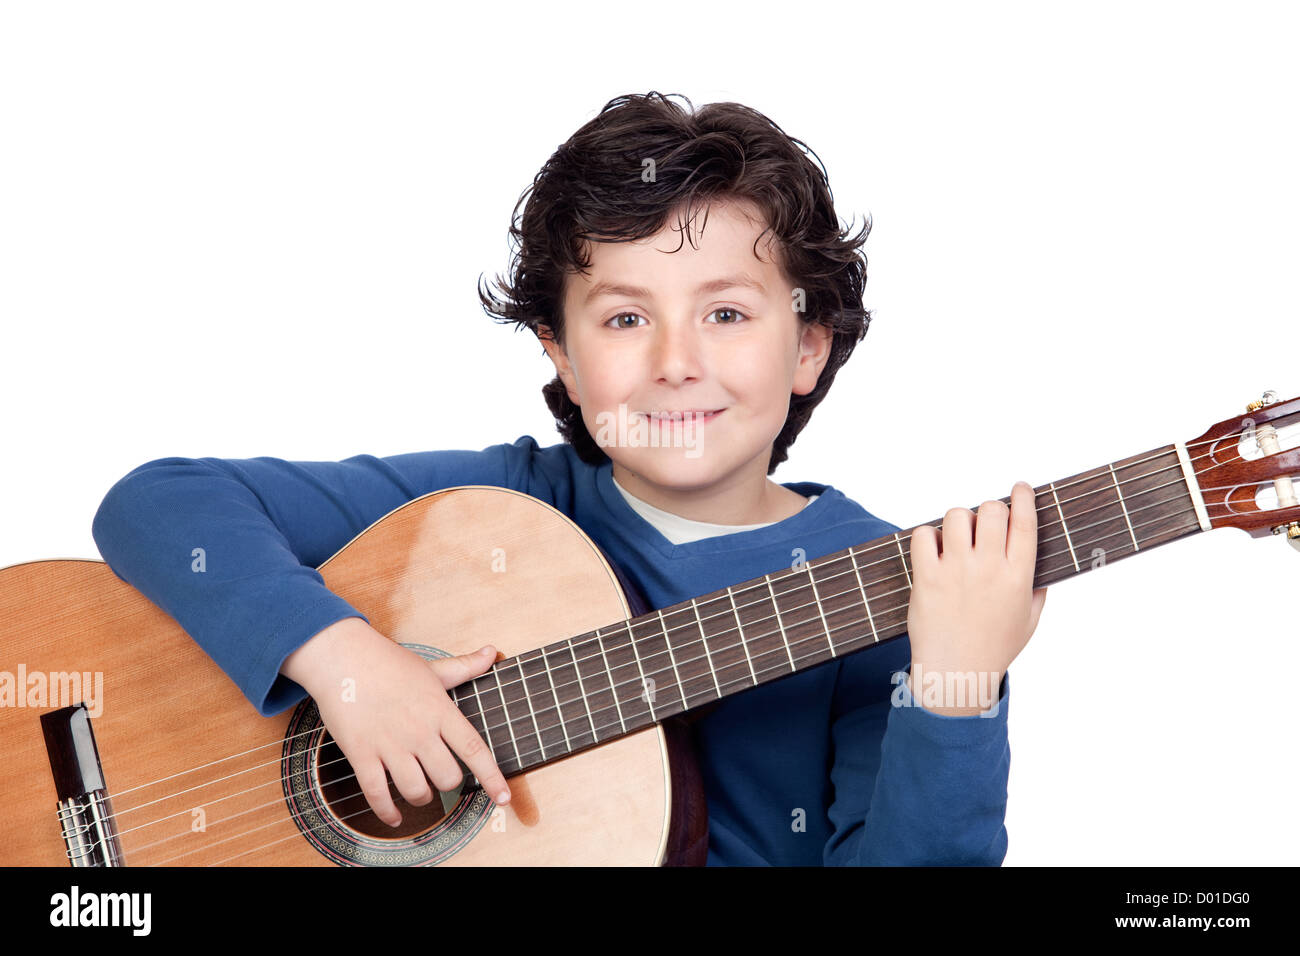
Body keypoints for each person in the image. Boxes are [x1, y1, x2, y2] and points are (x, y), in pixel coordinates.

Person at [92, 91, 1047, 865]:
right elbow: (159, 504)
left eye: (726, 314)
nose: (676, 361)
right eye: (625, 320)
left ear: (808, 345)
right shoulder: (499, 510)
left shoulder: (887, 586)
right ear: (563, 354)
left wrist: (956, 680)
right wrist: (345, 666)